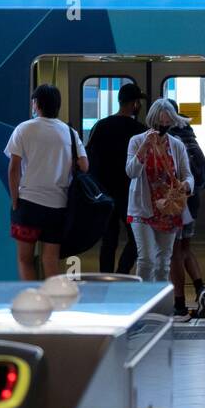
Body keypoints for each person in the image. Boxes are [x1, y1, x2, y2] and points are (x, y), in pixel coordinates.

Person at [5, 84, 87, 281]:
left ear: (36, 104)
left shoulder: (24, 129)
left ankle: (33, 304)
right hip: (57, 206)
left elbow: (14, 168)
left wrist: (15, 200)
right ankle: (54, 302)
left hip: (28, 205)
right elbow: (84, 166)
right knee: (50, 259)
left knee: (25, 260)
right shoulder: (69, 132)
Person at [125, 99, 195, 287]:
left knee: (163, 262)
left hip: (169, 209)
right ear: (151, 121)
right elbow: (131, 172)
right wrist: (144, 148)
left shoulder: (177, 145)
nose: (163, 127)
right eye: (159, 123)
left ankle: (159, 305)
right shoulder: (137, 141)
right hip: (142, 208)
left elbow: (188, 175)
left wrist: (186, 186)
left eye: (167, 123)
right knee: (146, 259)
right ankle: (142, 302)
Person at [85, 82, 147, 274]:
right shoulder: (139, 130)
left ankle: (106, 280)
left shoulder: (101, 126)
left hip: (104, 193)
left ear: (119, 101)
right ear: (135, 104)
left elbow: (89, 158)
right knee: (137, 240)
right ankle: (121, 274)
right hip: (130, 194)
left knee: (108, 240)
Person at [164, 102, 205, 319]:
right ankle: (201, 288)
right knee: (185, 248)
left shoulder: (170, 140)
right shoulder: (191, 138)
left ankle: (179, 304)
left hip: (175, 201)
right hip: (192, 202)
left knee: (174, 252)